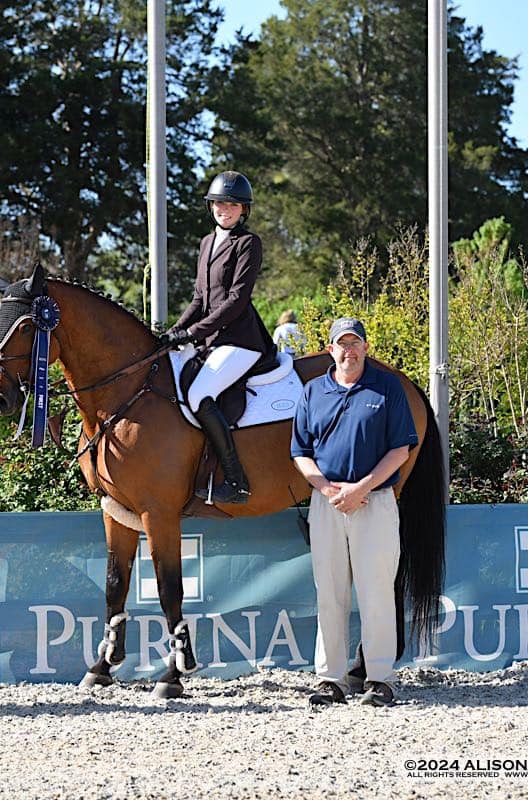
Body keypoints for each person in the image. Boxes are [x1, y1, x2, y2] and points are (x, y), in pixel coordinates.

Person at [290, 317, 418, 709]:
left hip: (374, 501)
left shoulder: (387, 387)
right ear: (330, 350)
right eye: (342, 344)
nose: (349, 351)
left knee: (376, 592)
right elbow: (301, 452)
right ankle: (331, 679)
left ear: (365, 347)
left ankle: (379, 678)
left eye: (355, 343)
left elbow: (401, 449)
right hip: (327, 502)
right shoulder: (313, 392)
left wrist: (361, 488)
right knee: (329, 592)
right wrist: (328, 489)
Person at [157, 170, 278, 504]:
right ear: (211, 206)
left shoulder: (248, 244)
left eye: (232, 204)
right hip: (212, 340)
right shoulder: (206, 243)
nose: (225, 209)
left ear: (243, 210)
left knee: (199, 395)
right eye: (219, 203)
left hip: (241, 341)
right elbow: (199, 298)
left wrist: (192, 333)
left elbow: (236, 300)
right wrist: (173, 332)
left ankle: (236, 480)